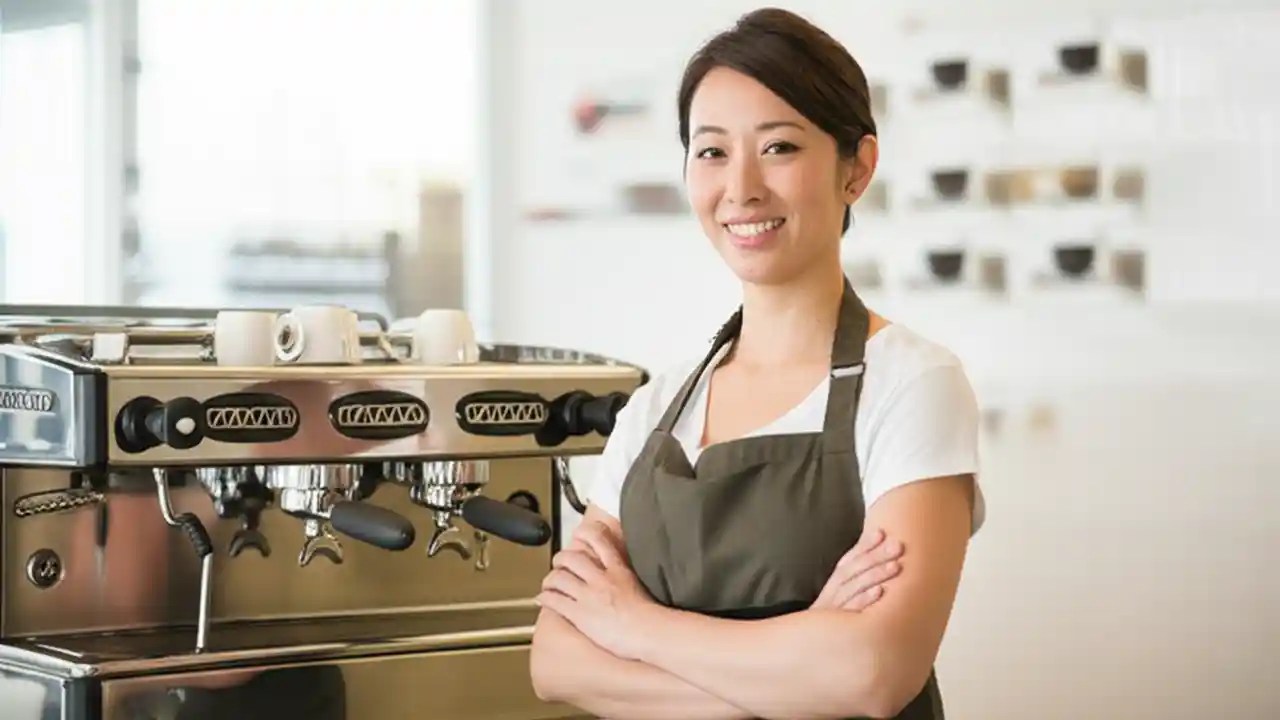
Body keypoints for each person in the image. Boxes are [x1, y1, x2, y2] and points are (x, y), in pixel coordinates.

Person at [529, 7, 984, 720]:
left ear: (856, 168)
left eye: (778, 147)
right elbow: (555, 662)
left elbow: (873, 674)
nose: (741, 188)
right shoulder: (655, 407)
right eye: (711, 151)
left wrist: (635, 627)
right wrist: (800, 662)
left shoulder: (913, 384)